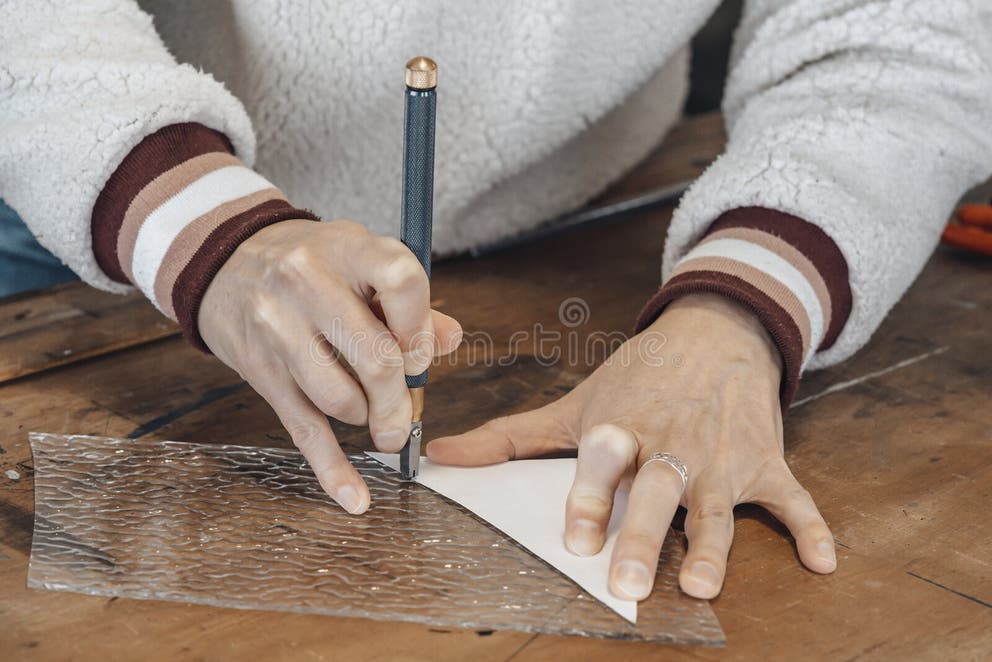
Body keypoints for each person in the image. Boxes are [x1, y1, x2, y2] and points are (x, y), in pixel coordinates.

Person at [2, 1, 990, 604]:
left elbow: (902, 32)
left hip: (591, 211)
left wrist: (743, 301)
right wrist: (201, 225)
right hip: (107, 180)